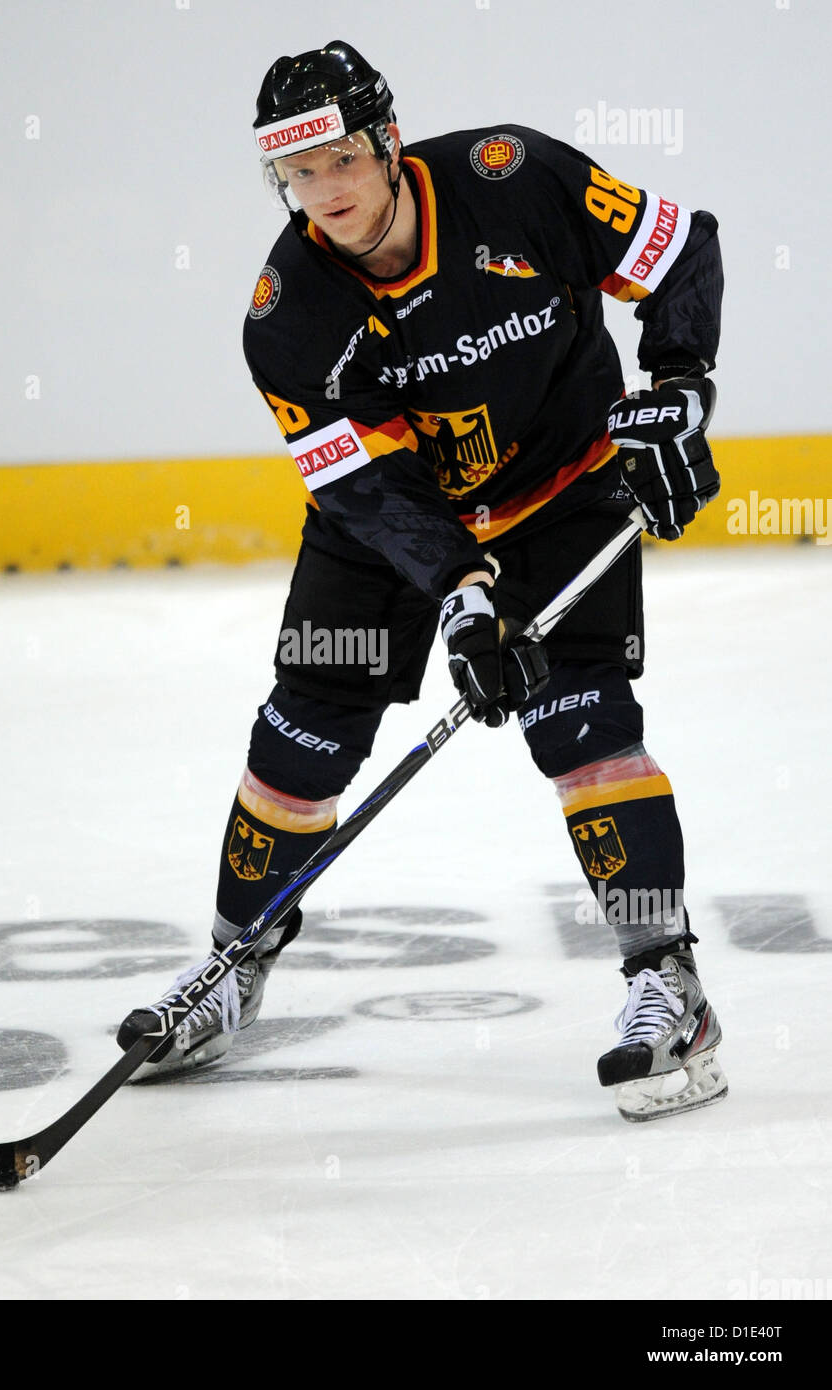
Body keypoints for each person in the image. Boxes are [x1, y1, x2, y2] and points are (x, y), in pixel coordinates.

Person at [118, 40, 727, 1121]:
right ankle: (231, 966)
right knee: (298, 739)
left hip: (560, 490)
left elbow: (682, 251)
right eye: (296, 176)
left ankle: (665, 981)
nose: (324, 195)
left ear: (387, 140)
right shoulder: (287, 311)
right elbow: (360, 485)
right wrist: (460, 589)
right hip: (390, 530)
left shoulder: (514, 178)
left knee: (583, 727)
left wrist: (677, 384)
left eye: (340, 161)